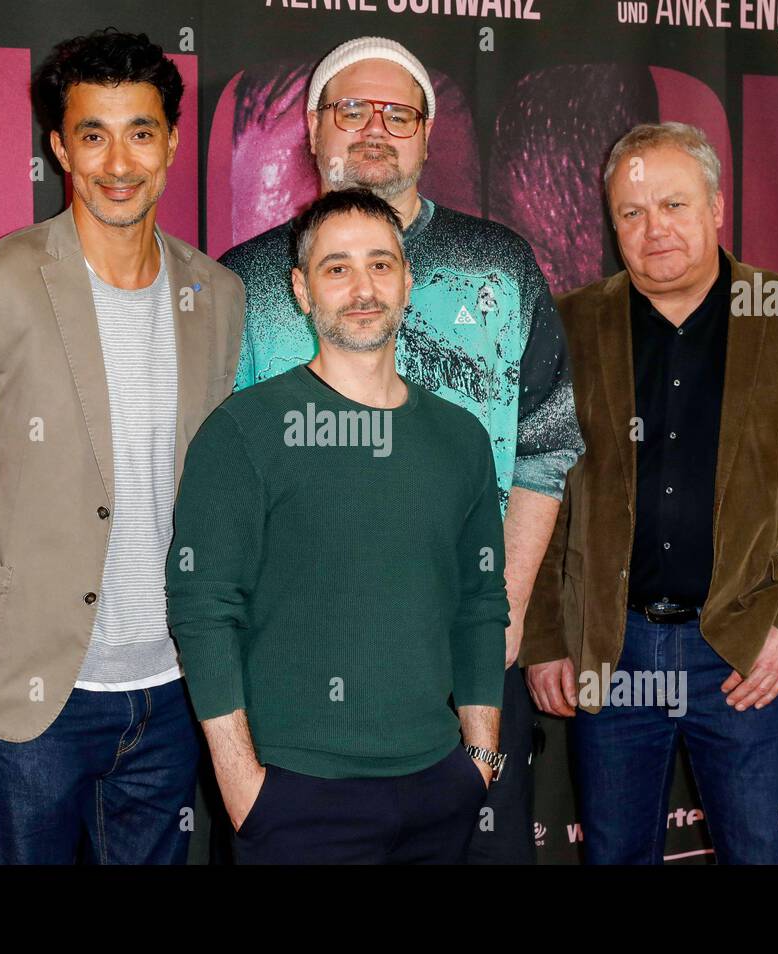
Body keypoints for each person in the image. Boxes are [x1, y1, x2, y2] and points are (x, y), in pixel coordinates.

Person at [220, 35, 583, 864]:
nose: (375, 128)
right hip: (300, 683)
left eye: (398, 113)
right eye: (352, 109)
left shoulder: (501, 264)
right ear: (313, 131)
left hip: (467, 662)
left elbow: (546, 446)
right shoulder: (245, 284)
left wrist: (509, 613)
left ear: (426, 135)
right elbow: (219, 489)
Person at [0, 28, 245, 864]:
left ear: (172, 143)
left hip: (173, 691)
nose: (118, 162)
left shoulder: (216, 295)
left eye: (140, 132)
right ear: (60, 146)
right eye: (93, 133)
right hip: (35, 699)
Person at [522, 122, 778, 864]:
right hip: (612, 655)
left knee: (763, 858)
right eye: (632, 213)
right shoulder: (570, 323)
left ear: (716, 206)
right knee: (615, 856)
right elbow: (539, 487)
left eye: (675, 205)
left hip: (741, 651)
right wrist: (548, 638)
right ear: (611, 223)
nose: (655, 231)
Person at [167, 188, 508, 864]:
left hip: (439, 787)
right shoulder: (244, 430)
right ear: (302, 289)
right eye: (337, 267)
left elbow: (480, 604)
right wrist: (243, 786)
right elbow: (204, 609)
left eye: (381, 265)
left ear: (408, 282)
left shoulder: (460, 438)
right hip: (297, 797)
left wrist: (479, 756)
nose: (363, 288)